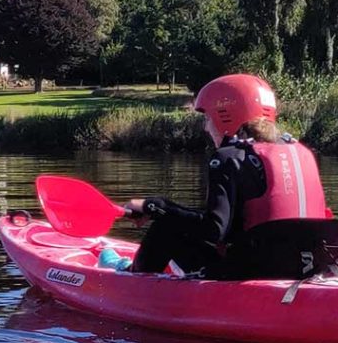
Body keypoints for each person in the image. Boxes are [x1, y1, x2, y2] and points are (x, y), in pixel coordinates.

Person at [122, 73, 337, 280]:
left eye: (207, 118)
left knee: (165, 226)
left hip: (249, 271)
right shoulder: (302, 152)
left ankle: (131, 282)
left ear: (224, 116)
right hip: (306, 268)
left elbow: (213, 229)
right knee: (173, 219)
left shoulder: (227, 158)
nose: (206, 127)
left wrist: (156, 207)